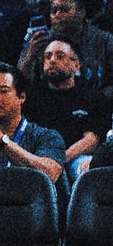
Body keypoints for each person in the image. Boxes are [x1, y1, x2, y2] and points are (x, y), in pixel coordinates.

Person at [23, 36, 110, 178]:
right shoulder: (32, 98)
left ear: (76, 65)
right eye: (48, 56)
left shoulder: (93, 99)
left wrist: (59, 159)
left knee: (87, 168)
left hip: (75, 158)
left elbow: (91, 140)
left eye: (60, 56)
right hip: (37, 159)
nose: (52, 60)